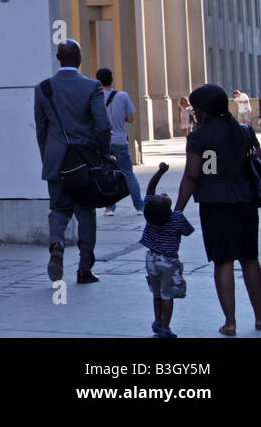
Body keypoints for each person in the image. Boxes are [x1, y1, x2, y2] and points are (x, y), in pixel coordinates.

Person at [174, 83, 261, 336]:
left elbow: (191, 177)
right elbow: (257, 162)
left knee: (222, 261)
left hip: (214, 205)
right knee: (250, 259)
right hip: (245, 202)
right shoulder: (244, 132)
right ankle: (259, 318)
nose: (194, 112)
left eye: (195, 108)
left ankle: (230, 322)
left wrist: (178, 210)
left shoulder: (198, 138)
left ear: (203, 111)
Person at [34, 39, 110, 285]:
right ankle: (85, 268)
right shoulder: (92, 86)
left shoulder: (44, 88)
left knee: (58, 209)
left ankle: (57, 245)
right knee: (85, 212)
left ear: (59, 59)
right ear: (79, 60)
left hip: (56, 160)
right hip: (84, 162)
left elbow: (41, 129)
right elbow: (103, 126)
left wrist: (48, 158)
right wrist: (103, 154)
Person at [140, 162, 194, 338]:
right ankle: (165, 326)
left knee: (156, 293)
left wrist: (160, 172)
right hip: (169, 262)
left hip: (151, 260)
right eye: (163, 197)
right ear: (169, 208)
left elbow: (150, 188)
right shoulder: (176, 218)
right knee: (167, 295)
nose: (162, 194)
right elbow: (188, 232)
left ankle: (157, 319)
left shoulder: (150, 216)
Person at [96, 67, 142, 217]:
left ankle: (110, 207)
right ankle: (139, 206)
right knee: (128, 173)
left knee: (107, 173)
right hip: (120, 139)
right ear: (112, 79)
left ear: (98, 80)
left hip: (102, 141)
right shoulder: (123, 96)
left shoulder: (95, 96)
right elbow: (130, 118)